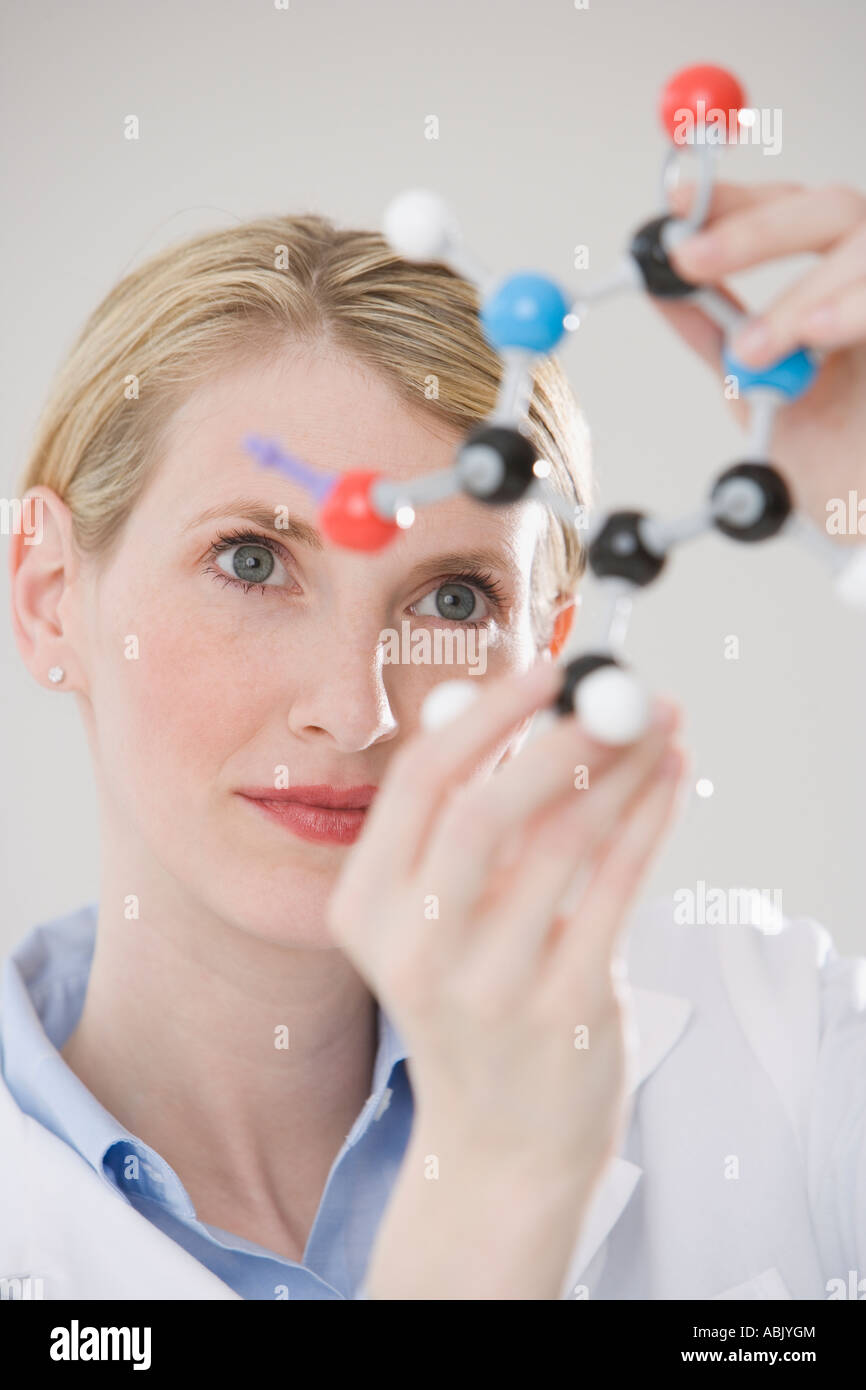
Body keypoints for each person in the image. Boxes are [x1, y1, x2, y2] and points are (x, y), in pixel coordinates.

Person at [1, 181, 864, 1301]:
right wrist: (493, 1202)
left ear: (546, 653)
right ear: (51, 594)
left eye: (452, 601)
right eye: (253, 562)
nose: (353, 710)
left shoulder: (772, 1042)